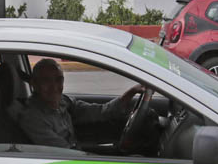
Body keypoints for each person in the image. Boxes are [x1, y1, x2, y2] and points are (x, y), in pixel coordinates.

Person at [14, 58, 143, 149]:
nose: (54, 87)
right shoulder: (32, 118)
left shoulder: (63, 102)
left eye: (59, 80)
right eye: (46, 81)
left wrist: (131, 92)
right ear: (34, 84)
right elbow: (64, 152)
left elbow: (101, 111)